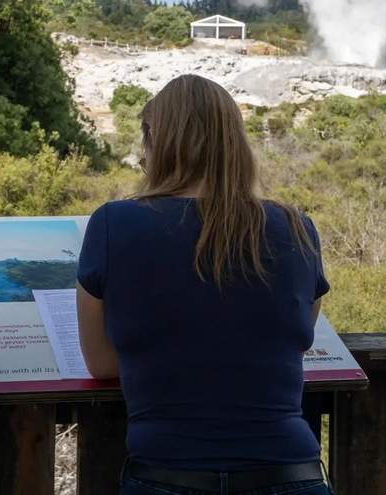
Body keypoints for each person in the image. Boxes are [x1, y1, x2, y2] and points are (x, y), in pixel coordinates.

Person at [76, 74, 333, 495]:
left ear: (155, 142)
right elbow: (293, 341)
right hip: (292, 474)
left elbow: (100, 363)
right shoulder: (296, 228)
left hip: (166, 473)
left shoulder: (113, 224)